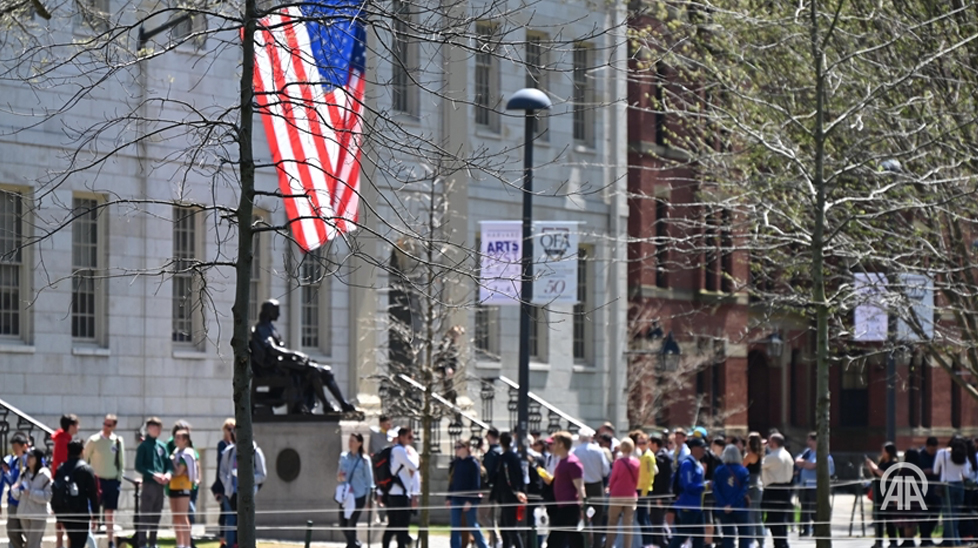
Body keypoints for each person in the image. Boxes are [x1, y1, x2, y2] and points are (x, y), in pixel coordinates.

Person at [251, 299, 356, 413]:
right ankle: (326, 405)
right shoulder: (261, 329)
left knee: (327, 371)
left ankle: (343, 404)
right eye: (276, 311)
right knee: (313, 371)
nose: (279, 314)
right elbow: (272, 350)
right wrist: (295, 354)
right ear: (269, 312)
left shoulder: (271, 328)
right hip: (274, 369)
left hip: (283, 366)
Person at [220, 428, 268, 548]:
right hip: (231, 493)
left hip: (248, 493)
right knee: (231, 521)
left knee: (246, 522)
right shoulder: (229, 451)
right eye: (236, 432)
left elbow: (262, 475)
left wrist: (246, 479)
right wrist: (227, 484)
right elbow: (222, 472)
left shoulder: (255, 451)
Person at [84, 414, 125, 548]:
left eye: (109, 425)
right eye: (104, 424)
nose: (106, 427)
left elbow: (121, 462)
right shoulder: (94, 440)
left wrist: (118, 478)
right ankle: (91, 540)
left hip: (112, 480)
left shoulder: (118, 441)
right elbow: (85, 458)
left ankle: (110, 541)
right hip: (97, 480)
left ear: (114, 426)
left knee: (109, 512)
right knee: (94, 513)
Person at [52, 438, 99, 548]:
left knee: (73, 541)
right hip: (81, 512)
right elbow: (93, 493)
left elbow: (57, 491)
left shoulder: (61, 468)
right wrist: (95, 515)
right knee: (79, 543)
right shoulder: (87, 470)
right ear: (82, 451)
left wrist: (58, 517)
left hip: (65, 511)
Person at [135, 417, 173, 548]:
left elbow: (168, 464)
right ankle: (142, 543)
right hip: (149, 484)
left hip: (160, 485)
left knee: (156, 514)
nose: (155, 430)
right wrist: (152, 475)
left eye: (158, 428)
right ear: (148, 429)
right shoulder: (144, 446)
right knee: (145, 514)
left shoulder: (162, 446)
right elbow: (139, 466)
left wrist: (168, 474)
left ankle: (153, 542)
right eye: (152, 427)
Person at [668, 436, 708, 548]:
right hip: (688, 505)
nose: (704, 450)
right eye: (702, 447)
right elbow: (687, 485)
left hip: (697, 505)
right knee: (682, 534)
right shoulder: (688, 464)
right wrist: (705, 486)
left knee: (699, 536)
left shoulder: (698, 464)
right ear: (694, 448)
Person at [548, 431, 586, 548]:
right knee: (574, 539)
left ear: (561, 444)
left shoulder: (572, 463)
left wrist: (583, 508)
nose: (552, 446)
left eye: (554, 443)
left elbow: (580, 487)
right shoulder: (562, 461)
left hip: (570, 506)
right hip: (562, 506)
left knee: (554, 540)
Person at [383, 426, 420, 548]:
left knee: (395, 525)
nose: (411, 440)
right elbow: (414, 465)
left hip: (398, 492)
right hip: (399, 494)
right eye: (409, 437)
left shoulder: (398, 450)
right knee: (400, 525)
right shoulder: (399, 451)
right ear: (402, 437)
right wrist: (413, 454)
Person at [574, 428, 611, 548]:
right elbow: (606, 471)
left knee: (582, 517)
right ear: (591, 438)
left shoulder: (576, 452)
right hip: (596, 486)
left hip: (581, 486)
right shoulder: (598, 451)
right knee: (598, 518)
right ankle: (597, 544)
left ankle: (584, 543)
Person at [448, 440, 489, 548]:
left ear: (466, 448)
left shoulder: (473, 463)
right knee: (455, 526)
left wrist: (470, 501)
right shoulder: (456, 463)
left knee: (472, 525)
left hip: (469, 500)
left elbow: (476, 485)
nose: (456, 450)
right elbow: (452, 482)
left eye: (458, 447)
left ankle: (484, 546)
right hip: (456, 498)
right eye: (455, 447)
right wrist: (448, 497)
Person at [934, 437, 973, 547]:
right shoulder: (963, 456)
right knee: (955, 515)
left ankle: (953, 540)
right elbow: (966, 474)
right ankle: (952, 539)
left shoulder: (942, 453)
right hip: (959, 486)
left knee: (948, 515)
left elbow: (936, 470)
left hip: (946, 485)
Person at [490, 432, 527, 548]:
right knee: (505, 527)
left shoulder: (505, 458)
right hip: (510, 495)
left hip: (508, 495)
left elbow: (503, 477)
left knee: (510, 527)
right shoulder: (514, 457)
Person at [338, 433, 374, 548]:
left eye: (353, 441)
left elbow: (369, 481)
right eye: (349, 440)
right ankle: (354, 543)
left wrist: (369, 499)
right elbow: (339, 475)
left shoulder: (364, 460)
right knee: (343, 523)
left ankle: (351, 545)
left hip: (359, 495)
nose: (350, 443)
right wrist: (340, 476)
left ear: (359, 443)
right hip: (345, 495)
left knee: (351, 522)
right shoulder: (344, 457)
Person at [795, 432, 834, 537]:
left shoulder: (822, 453)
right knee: (804, 508)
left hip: (816, 486)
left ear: (815, 441)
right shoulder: (807, 452)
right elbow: (798, 460)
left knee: (815, 508)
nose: (807, 442)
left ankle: (817, 528)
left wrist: (804, 463)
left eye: (809, 440)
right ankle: (805, 529)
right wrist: (805, 463)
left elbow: (813, 465)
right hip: (804, 485)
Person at [11, 447, 51, 548]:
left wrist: (31, 493)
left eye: (31, 456)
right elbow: (17, 491)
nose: (28, 459)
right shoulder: (24, 473)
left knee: (33, 544)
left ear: (37, 458)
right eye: (27, 456)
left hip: (38, 514)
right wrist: (15, 490)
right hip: (24, 513)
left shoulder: (45, 474)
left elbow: (48, 496)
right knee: (31, 543)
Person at [761, 433, 794, 548]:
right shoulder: (787, 454)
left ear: (773, 443)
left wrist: (761, 448)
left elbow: (759, 464)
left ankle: (779, 544)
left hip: (774, 489)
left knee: (774, 520)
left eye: (769, 442)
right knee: (781, 519)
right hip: (785, 488)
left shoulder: (773, 456)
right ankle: (783, 543)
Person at [714, 445, 750, 548]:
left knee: (727, 535)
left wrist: (724, 504)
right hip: (740, 507)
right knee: (744, 535)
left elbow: (716, 489)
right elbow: (743, 490)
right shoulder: (744, 471)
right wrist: (733, 504)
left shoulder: (718, 470)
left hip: (723, 508)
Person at [606, 438, 640, 548]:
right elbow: (636, 480)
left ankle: (609, 545)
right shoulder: (636, 462)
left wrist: (609, 488)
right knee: (628, 524)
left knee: (612, 522)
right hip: (630, 495)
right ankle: (627, 546)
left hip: (617, 494)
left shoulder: (618, 462)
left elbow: (613, 478)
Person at [866, 442, 901, 548]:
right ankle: (878, 541)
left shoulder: (893, 464)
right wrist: (870, 467)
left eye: (884, 450)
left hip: (888, 494)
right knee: (878, 519)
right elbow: (876, 474)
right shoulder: (882, 463)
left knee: (889, 520)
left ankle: (893, 542)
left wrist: (875, 467)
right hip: (879, 494)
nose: (882, 452)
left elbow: (886, 476)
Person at [52, 414, 79, 548]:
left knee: (62, 518)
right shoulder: (64, 442)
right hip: (63, 483)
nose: (78, 428)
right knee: (65, 518)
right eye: (76, 425)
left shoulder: (63, 439)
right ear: (70, 426)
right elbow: (63, 462)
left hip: (60, 482)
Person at [169, 429, 198, 548]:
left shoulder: (187, 453)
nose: (176, 440)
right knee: (175, 516)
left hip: (183, 486)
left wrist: (172, 463)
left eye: (178, 438)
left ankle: (186, 544)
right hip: (173, 486)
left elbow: (179, 471)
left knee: (182, 516)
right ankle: (179, 543)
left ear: (185, 440)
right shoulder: (176, 452)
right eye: (175, 437)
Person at [4, 433, 31, 548]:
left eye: (17, 448)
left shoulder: (32, 459)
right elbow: (11, 480)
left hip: (27, 501)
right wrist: (6, 473)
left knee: (29, 533)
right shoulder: (13, 461)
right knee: (12, 530)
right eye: (13, 448)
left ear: (24, 446)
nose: (15, 450)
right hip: (14, 501)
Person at [212, 418, 236, 548]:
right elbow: (220, 468)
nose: (231, 431)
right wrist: (219, 489)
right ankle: (223, 540)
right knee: (225, 513)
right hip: (224, 484)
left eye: (234, 428)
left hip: (234, 485)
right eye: (229, 429)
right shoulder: (223, 446)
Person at [479, 427, 503, 548]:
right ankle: (493, 541)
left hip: (489, 488)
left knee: (481, 515)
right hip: (499, 488)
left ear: (489, 436)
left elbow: (487, 472)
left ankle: (496, 538)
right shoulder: (500, 451)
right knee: (490, 516)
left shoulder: (492, 453)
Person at [650, 434, 673, 548]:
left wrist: (659, 497)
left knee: (657, 523)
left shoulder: (660, 459)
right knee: (661, 522)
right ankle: (670, 541)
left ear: (655, 444)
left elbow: (661, 481)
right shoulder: (665, 456)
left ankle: (665, 545)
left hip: (660, 496)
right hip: (665, 494)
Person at [635, 433, 657, 548]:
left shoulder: (648, 456)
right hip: (638, 488)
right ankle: (646, 541)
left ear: (648, 443)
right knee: (642, 516)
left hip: (645, 490)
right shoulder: (640, 455)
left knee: (643, 517)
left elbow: (650, 476)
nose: (641, 445)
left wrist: (643, 493)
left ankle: (647, 542)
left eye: (643, 443)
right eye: (639, 443)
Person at [918, 437, 941, 546]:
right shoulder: (920, 456)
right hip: (922, 489)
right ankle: (924, 538)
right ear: (926, 447)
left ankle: (928, 535)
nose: (933, 452)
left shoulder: (938, 455)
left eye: (935, 450)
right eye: (931, 450)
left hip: (935, 489)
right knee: (922, 515)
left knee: (935, 514)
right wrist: (923, 471)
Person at [743, 433, 765, 548]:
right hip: (757, 485)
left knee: (750, 515)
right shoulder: (759, 455)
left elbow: (741, 466)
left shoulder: (750, 455)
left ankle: (750, 541)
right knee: (757, 516)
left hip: (751, 486)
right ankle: (761, 542)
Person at [436, 325, 465, 404]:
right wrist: (447, 368)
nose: (458, 338)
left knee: (449, 392)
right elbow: (443, 357)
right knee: (450, 392)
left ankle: (439, 406)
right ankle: (454, 411)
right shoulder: (447, 343)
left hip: (448, 372)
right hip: (445, 371)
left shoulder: (451, 344)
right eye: (458, 335)